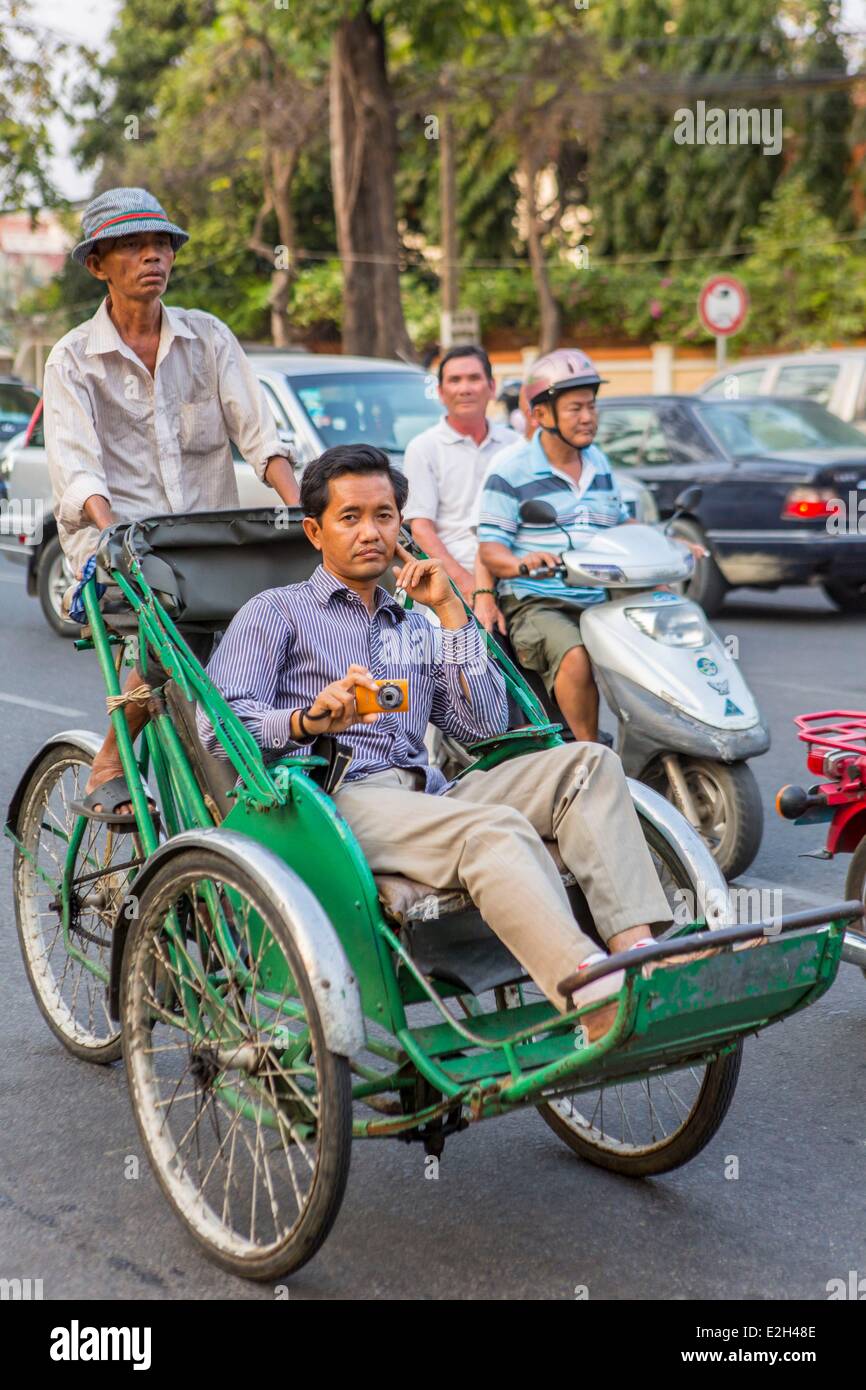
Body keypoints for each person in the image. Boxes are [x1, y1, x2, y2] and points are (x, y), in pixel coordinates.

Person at [196, 443, 677, 1040]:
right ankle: (588, 992)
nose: (370, 532)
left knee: (591, 764)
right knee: (494, 829)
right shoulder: (276, 613)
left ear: (400, 525)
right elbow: (217, 730)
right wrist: (306, 721)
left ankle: (637, 951)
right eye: (350, 518)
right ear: (316, 532)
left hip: (430, 794)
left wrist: (451, 613)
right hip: (335, 801)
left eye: (384, 515)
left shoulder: (417, 623)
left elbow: (483, 728)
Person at [44, 187, 301, 824]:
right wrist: (115, 533)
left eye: (161, 244)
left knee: (293, 612)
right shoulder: (73, 358)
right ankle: (110, 759)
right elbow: (79, 469)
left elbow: (260, 439)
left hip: (203, 546)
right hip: (113, 548)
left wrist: (307, 513)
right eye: (133, 246)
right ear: (98, 265)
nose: (152, 256)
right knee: (174, 623)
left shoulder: (208, 338)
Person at [477, 348, 701, 743]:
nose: (587, 417)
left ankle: (664, 741)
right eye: (575, 408)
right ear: (541, 414)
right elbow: (490, 549)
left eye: (592, 406)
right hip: (538, 600)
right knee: (575, 656)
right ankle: (589, 753)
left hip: (602, 595)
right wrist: (524, 564)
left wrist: (664, 544)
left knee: (667, 635)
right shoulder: (510, 471)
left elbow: (618, 522)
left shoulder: (598, 462)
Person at [402, 344, 519, 636]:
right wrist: (468, 585)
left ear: (492, 387)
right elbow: (421, 529)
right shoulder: (423, 448)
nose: (465, 388)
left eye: (474, 378)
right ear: (441, 392)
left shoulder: (516, 445)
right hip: (452, 579)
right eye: (455, 380)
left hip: (512, 575)